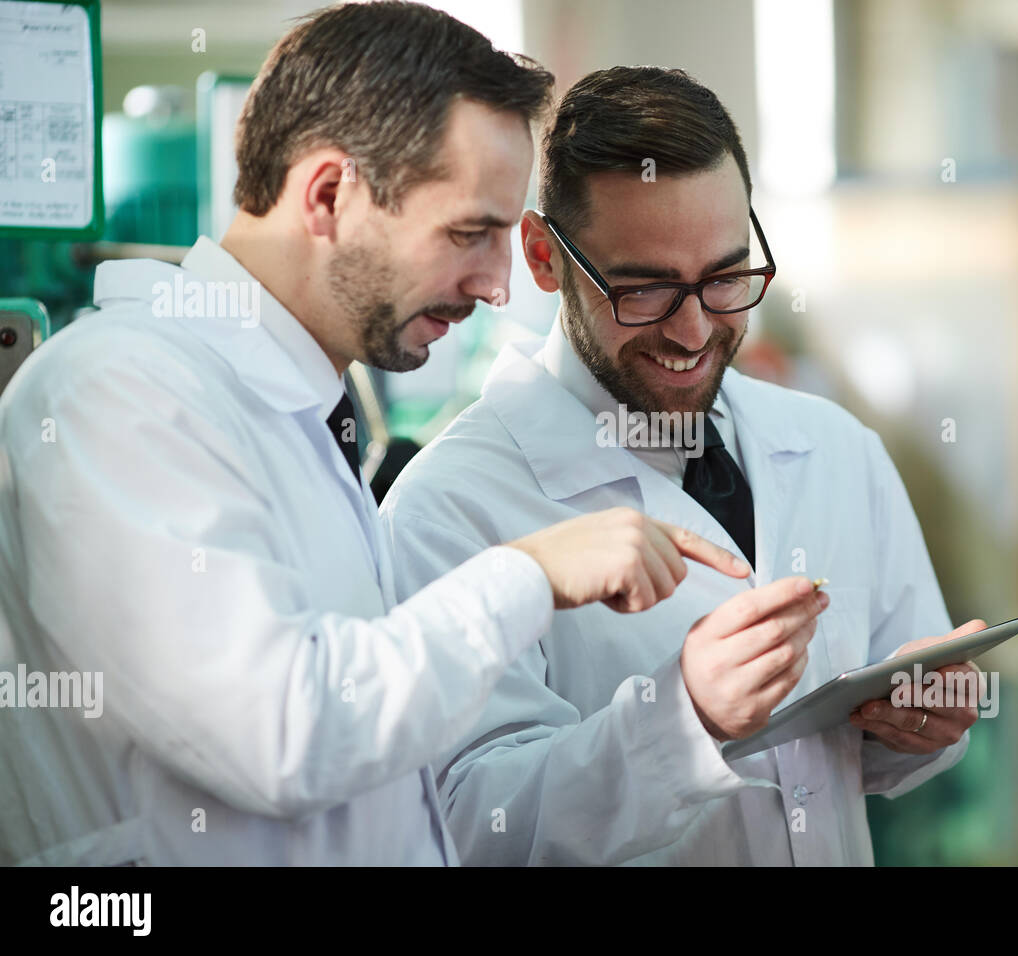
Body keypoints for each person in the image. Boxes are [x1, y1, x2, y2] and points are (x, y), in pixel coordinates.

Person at [0, 5, 746, 867]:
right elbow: (285, 733)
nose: (499, 286)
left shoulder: (305, 414)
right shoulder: (120, 390)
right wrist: (529, 574)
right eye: (470, 233)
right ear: (326, 195)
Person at [379, 66, 985, 866]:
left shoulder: (836, 450)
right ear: (543, 256)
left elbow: (855, 765)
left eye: (726, 278)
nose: (696, 332)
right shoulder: (448, 509)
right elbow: (464, 828)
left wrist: (919, 728)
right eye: (646, 289)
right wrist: (683, 718)